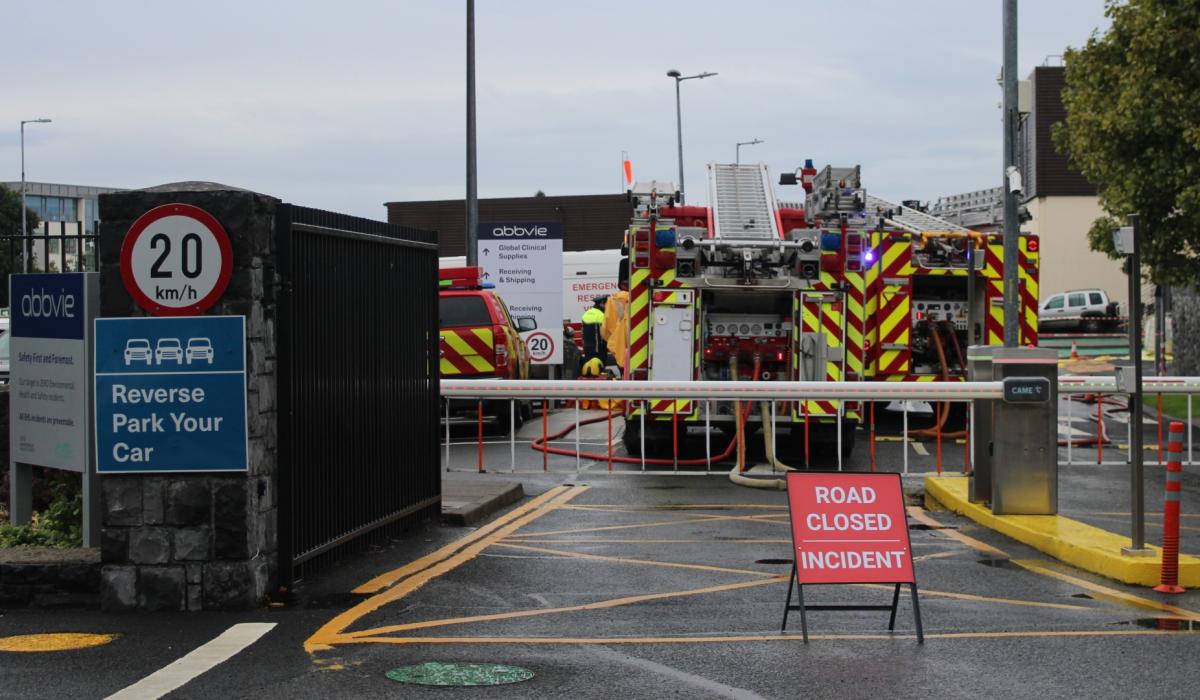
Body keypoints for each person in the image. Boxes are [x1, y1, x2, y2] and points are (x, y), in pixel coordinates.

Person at [602, 277, 630, 372]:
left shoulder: (611, 300)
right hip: (631, 336)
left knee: (621, 363)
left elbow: (607, 322)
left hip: (616, 338)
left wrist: (611, 337)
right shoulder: (634, 298)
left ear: (621, 286)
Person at [580, 296, 606, 369]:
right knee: (600, 369)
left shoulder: (587, 313)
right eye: (606, 304)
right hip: (599, 349)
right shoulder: (601, 315)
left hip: (587, 348)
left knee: (589, 368)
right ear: (601, 304)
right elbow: (604, 333)